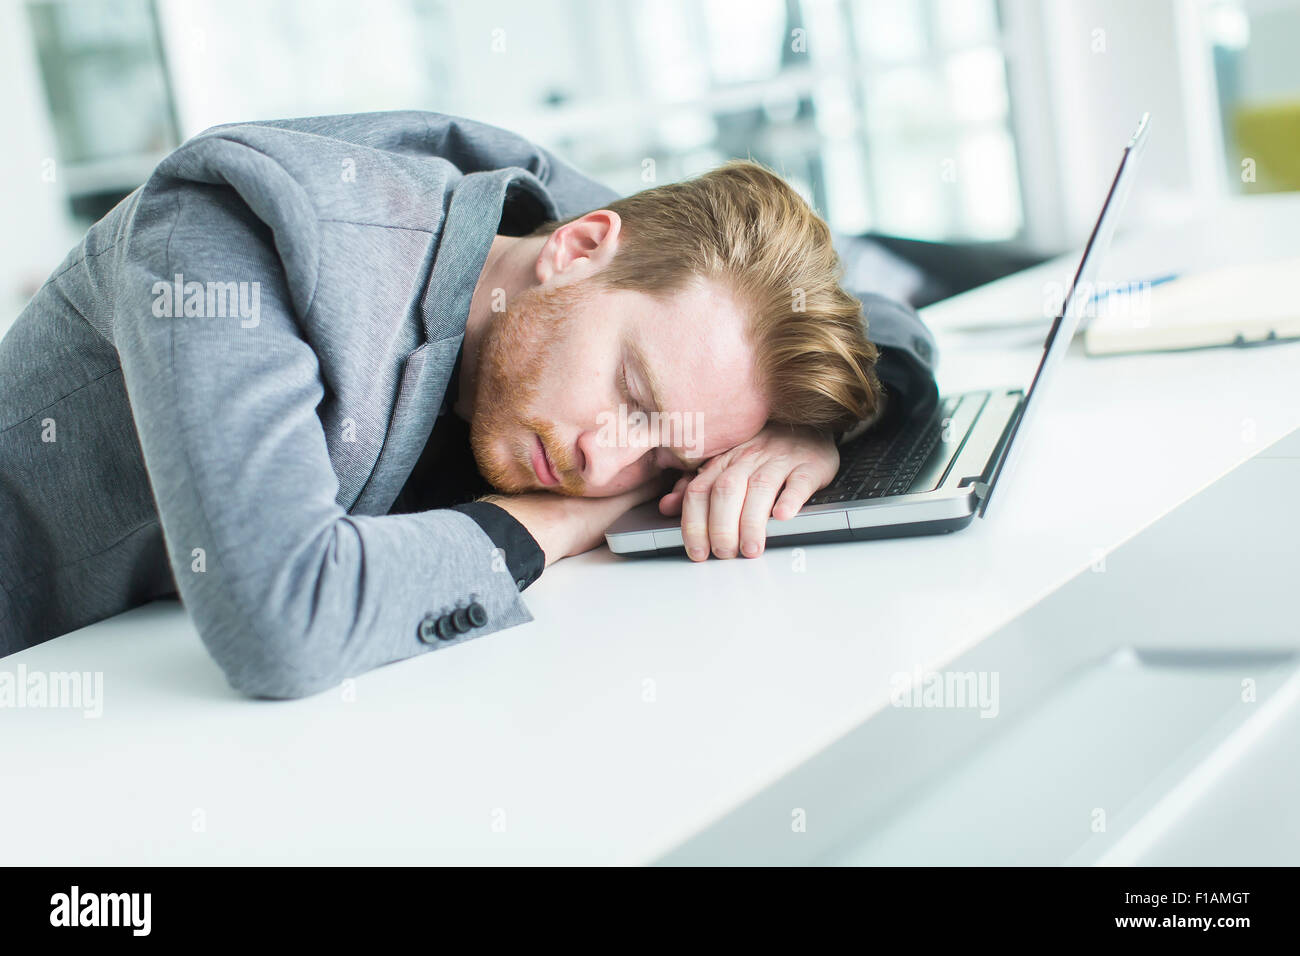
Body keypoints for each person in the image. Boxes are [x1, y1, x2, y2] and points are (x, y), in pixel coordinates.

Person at [0, 111, 938, 698]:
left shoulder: (602, 255)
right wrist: (570, 520)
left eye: (667, 461)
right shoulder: (232, 233)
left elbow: (880, 315)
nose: (608, 464)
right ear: (579, 246)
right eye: (633, 398)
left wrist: (805, 432)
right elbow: (282, 622)